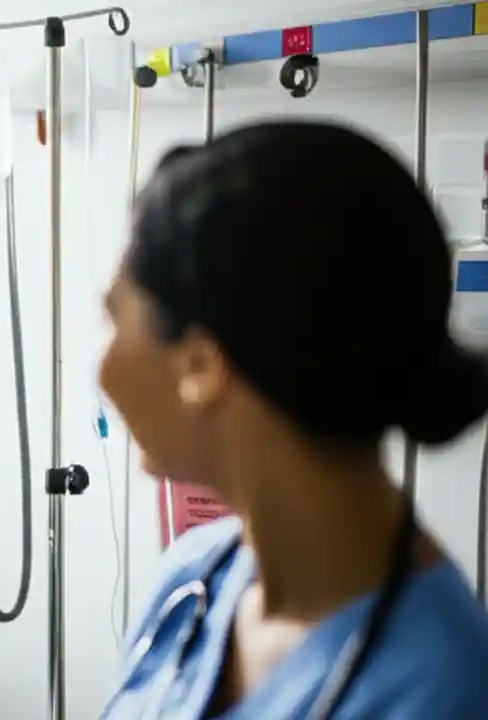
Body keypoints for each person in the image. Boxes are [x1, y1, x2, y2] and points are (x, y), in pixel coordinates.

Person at [97, 121, 488, 718]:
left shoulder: (442, 690)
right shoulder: (188, 580)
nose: (101, 372)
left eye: (116, 321)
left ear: (201, 364)